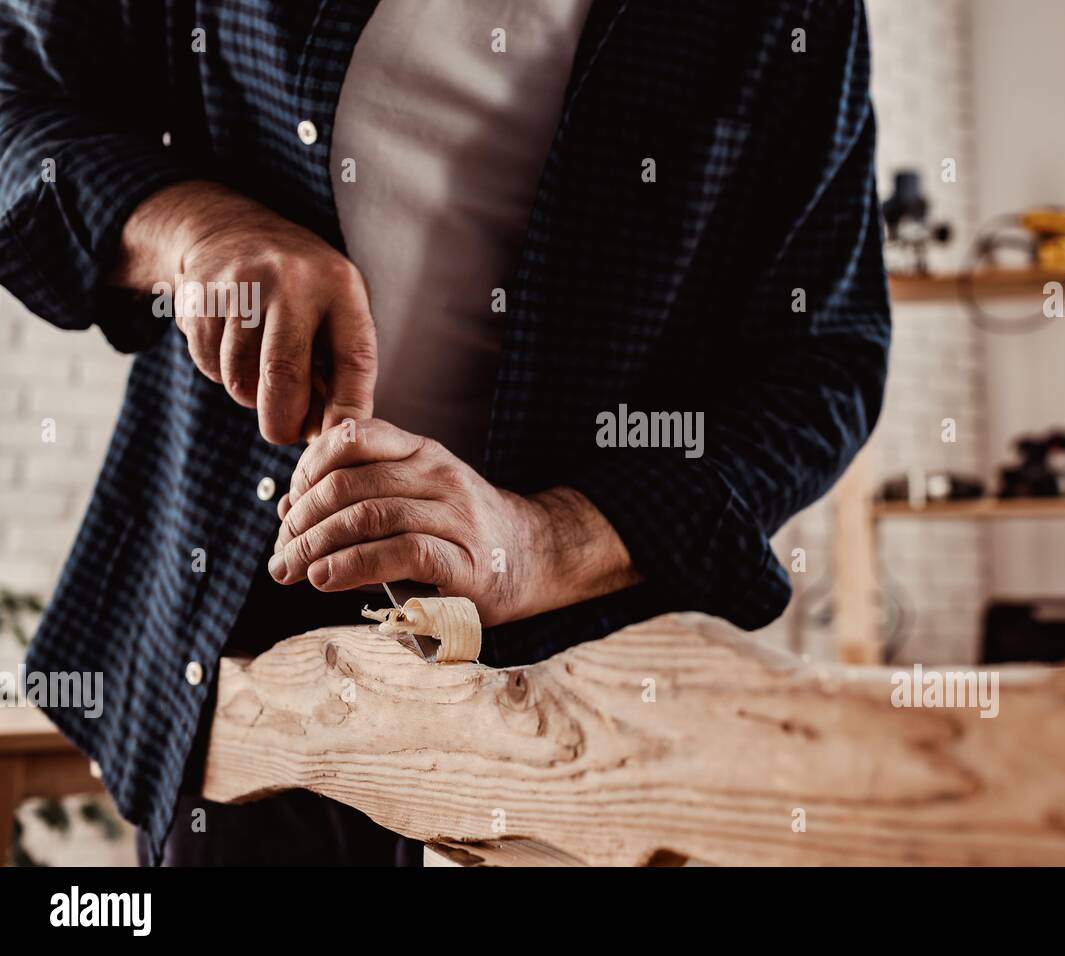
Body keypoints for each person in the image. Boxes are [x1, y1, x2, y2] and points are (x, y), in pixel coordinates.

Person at [0, 0, 890, 865]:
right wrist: (191, 230)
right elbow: (14, 101)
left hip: (580, 693)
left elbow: (823, 363)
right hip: (240, 650)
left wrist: (544, 540)